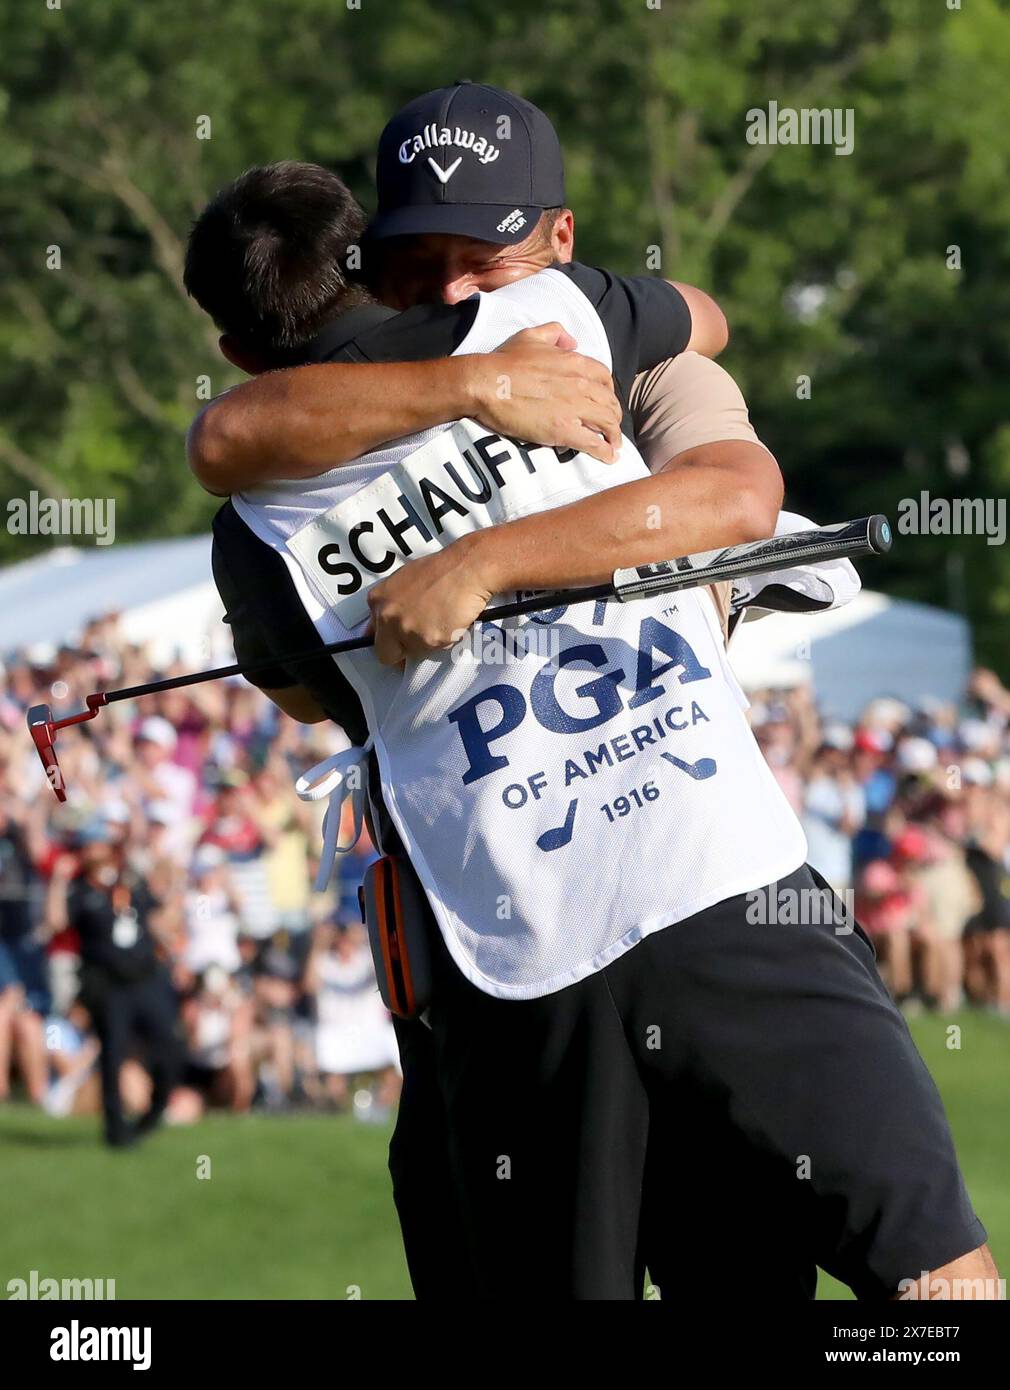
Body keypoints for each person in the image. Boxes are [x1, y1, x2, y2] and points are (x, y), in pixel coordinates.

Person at [184, 86, 995, 1299]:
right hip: (720, 891)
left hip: (523, 962)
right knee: (938, 1285)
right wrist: (486, 399)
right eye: (426, 262)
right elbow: (702, 315)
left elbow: (308, 694)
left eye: (481, 255)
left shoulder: (253, 535)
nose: (461, 292)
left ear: (237, 345)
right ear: (367, 268)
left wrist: (477, 557)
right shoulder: (558, 317)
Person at [43, 824, 182, 1147]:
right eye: (89, 847)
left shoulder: (130, 883)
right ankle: (116, 1129)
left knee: (169, 1044)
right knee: (113, 1052)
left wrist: (175, 894)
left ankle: (158, 1106)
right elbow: (56, 923)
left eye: (100, 846)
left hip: (146, 979)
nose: (95, 853)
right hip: (109, 985)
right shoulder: (79, 892)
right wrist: (58, 880)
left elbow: (160, 919)